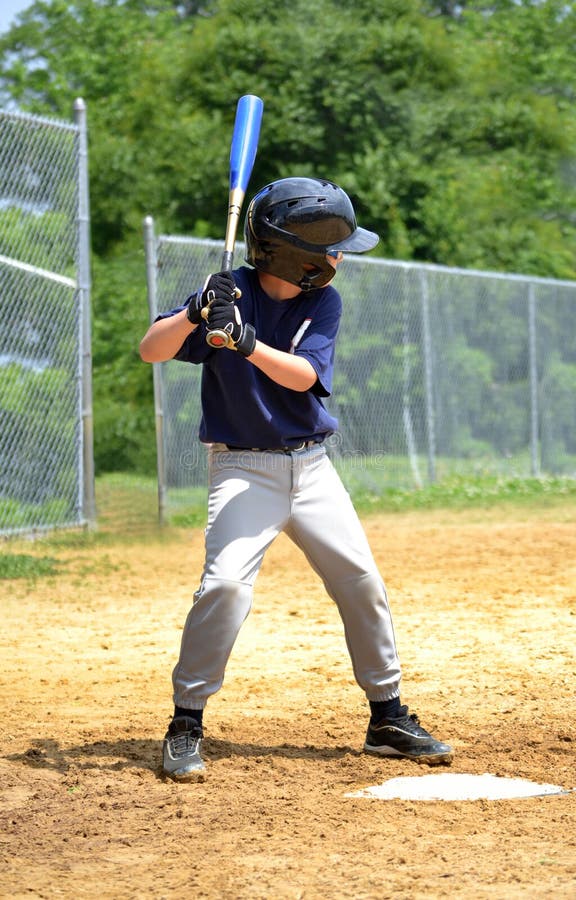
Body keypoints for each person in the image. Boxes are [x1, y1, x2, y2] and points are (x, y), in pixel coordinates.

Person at [139, 177, 454, 781]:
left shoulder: (321, 304)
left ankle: (386, 716)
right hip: (242, 469)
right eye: (333, 247)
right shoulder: (228, 294)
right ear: (300, 257)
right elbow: (152, 350)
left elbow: (304, 376)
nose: (340, 258)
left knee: (360, 580)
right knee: (226, 586)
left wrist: (245, 341)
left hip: (311, 469)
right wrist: (193, 313)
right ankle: (186, 721)